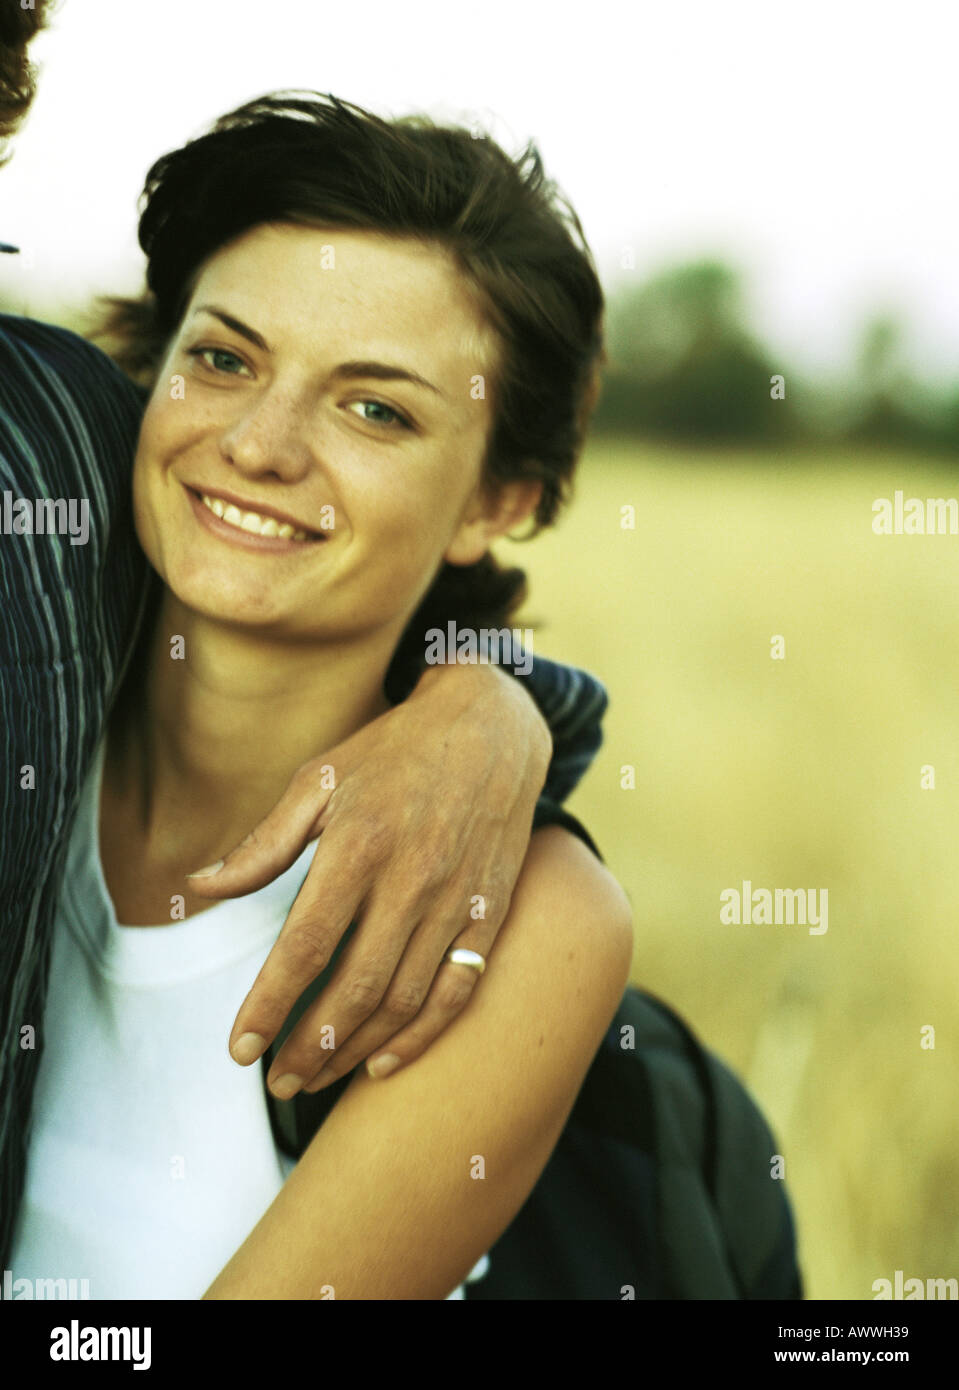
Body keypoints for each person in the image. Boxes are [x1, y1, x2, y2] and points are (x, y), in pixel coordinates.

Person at [0, 6, 618, 1289]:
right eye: (224, 359)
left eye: (375, 407)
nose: (263, 445)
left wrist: (493, 701)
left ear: (501, 498)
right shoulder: (28, 720)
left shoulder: (532, 923)